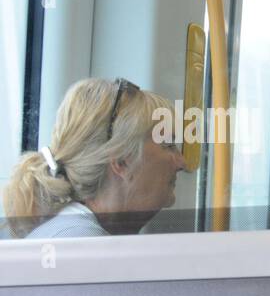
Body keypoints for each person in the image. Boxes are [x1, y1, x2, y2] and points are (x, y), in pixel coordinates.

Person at [4, 78, 183, 239]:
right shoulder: (84, 244)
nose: (182, 162)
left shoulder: (71, 234)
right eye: (168, 144)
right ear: (121, 161)